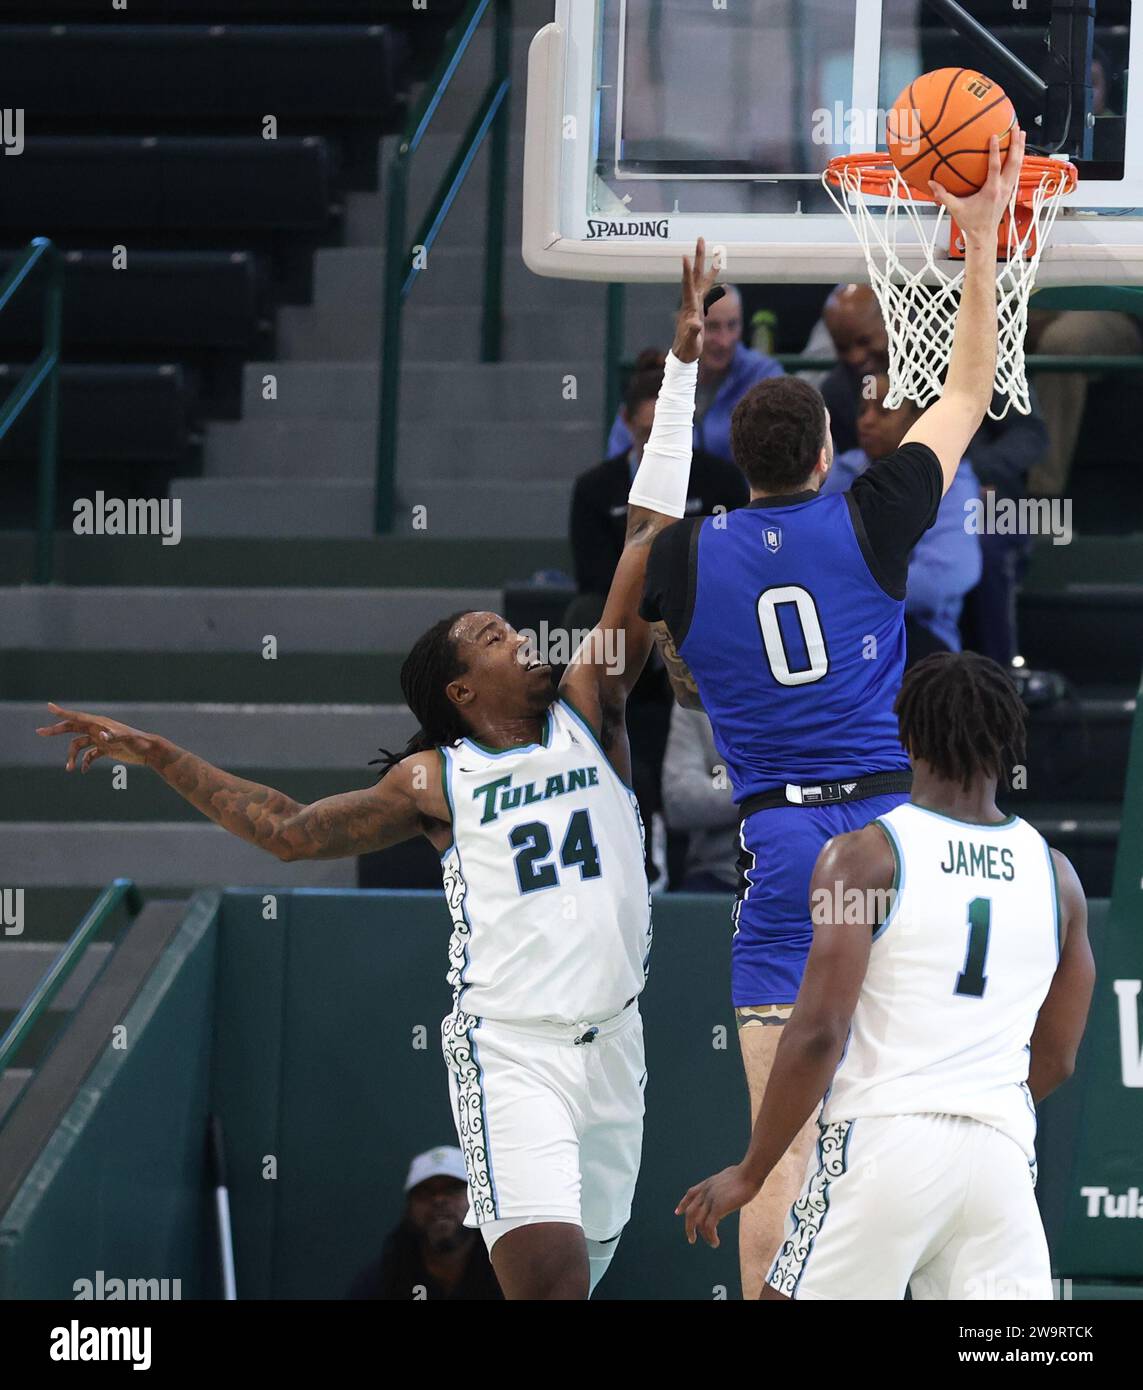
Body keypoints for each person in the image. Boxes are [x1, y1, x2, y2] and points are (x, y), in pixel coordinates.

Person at [37, 241, 721, 1302]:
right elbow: (288, 829)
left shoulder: (593, 702)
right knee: (547, 1280)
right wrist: (162, 752)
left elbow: (648, 532)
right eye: (494, 635)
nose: (519, 636)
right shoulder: (434, 783)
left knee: (581, 1279)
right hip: (515, 1052)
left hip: (616, 1044)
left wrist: (680, 375)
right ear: (459, 689)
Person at [639, 130, 1029, 1299]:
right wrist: (975, 245)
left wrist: (676, 367)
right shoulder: (876, 513)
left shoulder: (683, 559)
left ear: (733, 456)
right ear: (823, 447)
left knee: (780, 1176)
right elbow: (966, 389)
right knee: (930, 1135)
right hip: (889, 848)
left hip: (778, 860)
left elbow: (652, 514)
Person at [677, 652, 1095, 1300]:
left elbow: (817, 1030)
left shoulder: (864, 858)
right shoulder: (1057, 877)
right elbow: (1060, 1056)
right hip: (999, 1157)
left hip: (884, 1143)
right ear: (1008, 740)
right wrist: (971, 1104)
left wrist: (753, 1169)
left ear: (905, 737)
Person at [570, 354, 747, 888]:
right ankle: (638, 856)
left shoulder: (720, 479)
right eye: (647, 436)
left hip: (704, 635)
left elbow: (732, 564)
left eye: (669, 434)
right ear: (625, 426)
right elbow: (596, 580)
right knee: (597, 626)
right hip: (637, 649)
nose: (659, 451)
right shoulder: (596, 489)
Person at [824, 371, 982, 664]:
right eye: (863, 410)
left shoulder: (952, 480)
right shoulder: (840, 472)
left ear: (917, 420)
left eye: (883, 411)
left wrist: (849, 592)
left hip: (917, 632)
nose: (867, 420)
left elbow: (944, 577)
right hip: (840, 627)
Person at [605, 285, 782, 464]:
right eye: (712, 327)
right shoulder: (657, 377)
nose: (724, 341)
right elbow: (620, 458)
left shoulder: (762, 376)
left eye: (732, 325)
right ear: (682, 325)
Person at [346, 1146, 501, 1300]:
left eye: (453, 1188)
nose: (439, 1200)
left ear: (476, 1197)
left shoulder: (507, 1272)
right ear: (409, 1207)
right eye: (425, 1192)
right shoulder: (379, 1283)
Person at [661, 703, 739, 893]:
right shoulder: (694, 696)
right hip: (718, 874)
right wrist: (765, 787)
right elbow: (679, 800)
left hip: (805, 868)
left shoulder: (809, 691)